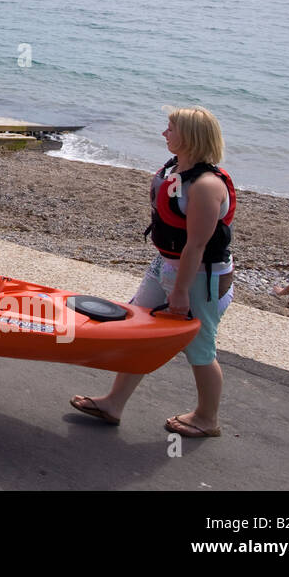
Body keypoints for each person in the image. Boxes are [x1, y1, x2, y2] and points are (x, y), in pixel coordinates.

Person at [70, 106, 234, 438]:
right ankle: (113, 403)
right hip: (166, 265)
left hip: (200, 277)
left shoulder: (205, 186)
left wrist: (180, 291)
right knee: (140, 331)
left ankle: (207, 418)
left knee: (199, 349)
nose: (164, 133)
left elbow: (196, 246)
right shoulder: (174, 170)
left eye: (170, 128)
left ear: (189, 137)